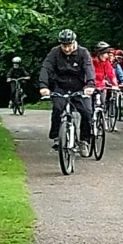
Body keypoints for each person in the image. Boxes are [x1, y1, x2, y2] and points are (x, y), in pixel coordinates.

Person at [39, 29, 96, 157]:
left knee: (87, 112)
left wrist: (90, 84)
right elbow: (46, 67)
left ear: (74, 42)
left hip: (80, 88)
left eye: (69, 45)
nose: (66, 48)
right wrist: (44, 86)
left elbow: (89, 68)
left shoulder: (83, 53)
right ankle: (56, 137)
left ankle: (84, 141)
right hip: (61, 87)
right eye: (64, 45)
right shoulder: (55, 52)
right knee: (58, 109)